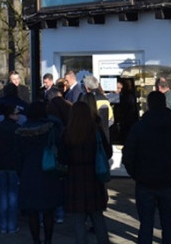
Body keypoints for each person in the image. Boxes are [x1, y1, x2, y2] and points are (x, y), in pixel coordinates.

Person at [122, 90, 171, 244]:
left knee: (146, 225)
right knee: (168, 225)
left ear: (148, 105)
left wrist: (136, 174)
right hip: (167, 182)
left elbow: (127, 156)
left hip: (145, 182)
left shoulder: (139, 127)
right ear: (165, 104)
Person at [62, 101, 112, 244]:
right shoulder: (95, 131)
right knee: (97, 216)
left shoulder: (67, 132)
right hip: (93, 176)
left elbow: (62, 157)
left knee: (78, 219)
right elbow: (106, 152)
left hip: (74, 178)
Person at [15, 100, 63, 244]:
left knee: (32, 212)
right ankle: (48, 240)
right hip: (48, 171)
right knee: (49, 211)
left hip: (28, 172)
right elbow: (60, 148)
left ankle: (36, 240)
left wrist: (20, 172)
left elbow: (18, 155)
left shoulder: (21, 131)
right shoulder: (51, 128)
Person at [0, 102, 22, 234]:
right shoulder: (17, 128)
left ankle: (4, 225)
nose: (19, 116)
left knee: (4, 194)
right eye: (16, 113)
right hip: (13, 164)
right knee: (13, 195)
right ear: (10, 114)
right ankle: (12, 225)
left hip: (1, 163)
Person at [83, 74, 112, 143]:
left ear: (86, 87)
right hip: (105, 136)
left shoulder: (87, 99)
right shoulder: (105, 99)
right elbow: (111, 120)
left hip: (91, 138)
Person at [111, 77, 138, 145]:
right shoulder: (116, 97)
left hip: (125, 125)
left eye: (120, 88)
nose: (119, 91)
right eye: (117, 88)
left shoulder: (126, 97)